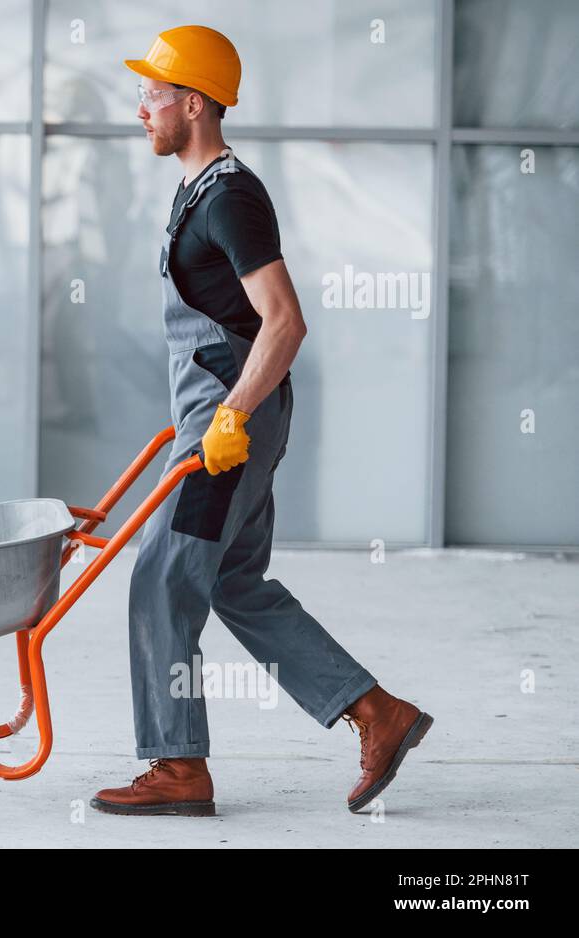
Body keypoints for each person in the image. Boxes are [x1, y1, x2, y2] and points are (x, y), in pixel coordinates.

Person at [91, 25, 433, 817]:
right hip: (225, 420)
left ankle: (177, 767)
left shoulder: (231, 197)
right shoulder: (197, 190)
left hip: (228, 429)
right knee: (234, 582)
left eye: (152, 93)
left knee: (159, 579)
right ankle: (379, 714)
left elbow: (284, 321)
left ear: (194, 102)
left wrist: (228, 421)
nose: (140, 107)